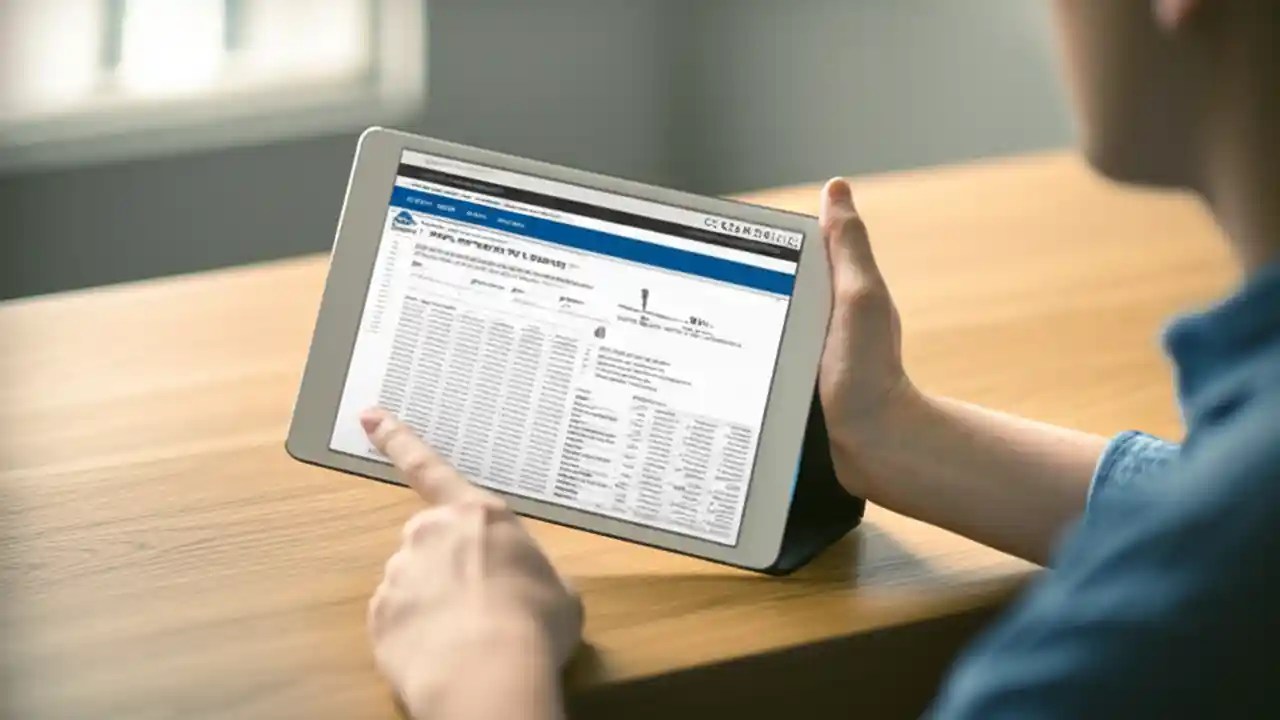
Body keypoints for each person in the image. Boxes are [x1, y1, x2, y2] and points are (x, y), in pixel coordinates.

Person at [359, 0, 1280, 717]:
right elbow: (1220, 502)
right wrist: (889, 432)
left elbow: (1226, 537)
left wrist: (484, 677)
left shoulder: (1144, 639)